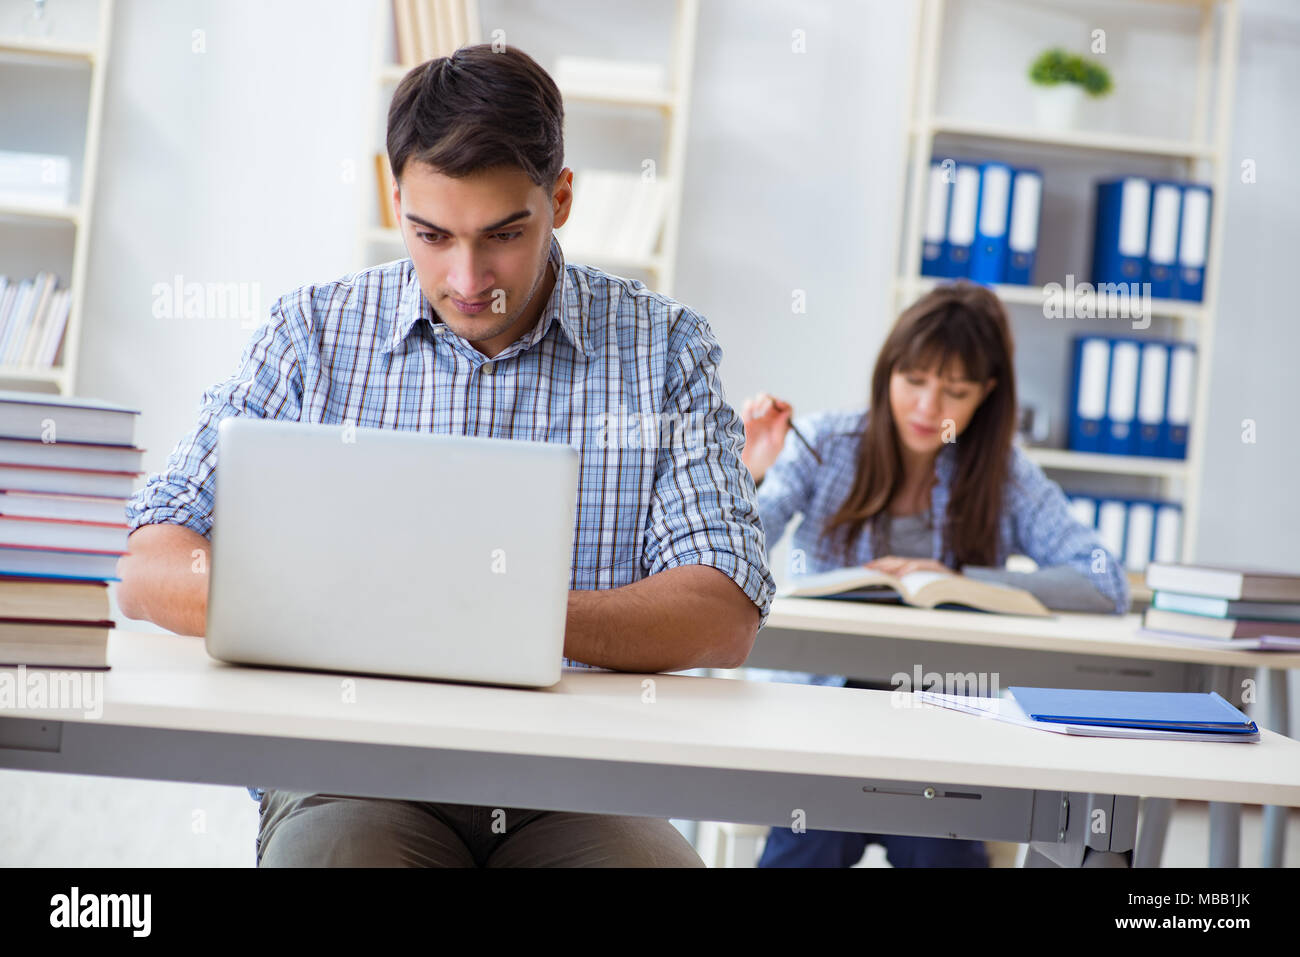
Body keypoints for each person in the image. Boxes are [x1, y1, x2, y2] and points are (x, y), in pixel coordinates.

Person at [117, 44, 775, 868]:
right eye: (432, 234)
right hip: (350, 772)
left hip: (579, 782)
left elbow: (723, 609)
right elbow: (152, 560)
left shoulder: (664, 347)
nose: (468, 277)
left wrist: (494, 618)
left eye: (504, 233)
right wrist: (338, 605)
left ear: (561, 197)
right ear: (395, 199)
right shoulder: (313, 334)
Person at [739, 281, 1129, 868]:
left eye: (956, 391)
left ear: (986, 395)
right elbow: (729, 554)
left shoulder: (1004, 474)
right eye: (914, 381)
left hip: (942, 727)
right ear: (888, 371)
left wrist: (962, 580)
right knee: (808, 841)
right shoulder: (825, 443)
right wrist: (753, 478)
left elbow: (1105, 583)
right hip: (823, 721)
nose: (928, 409)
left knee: (938, 847)